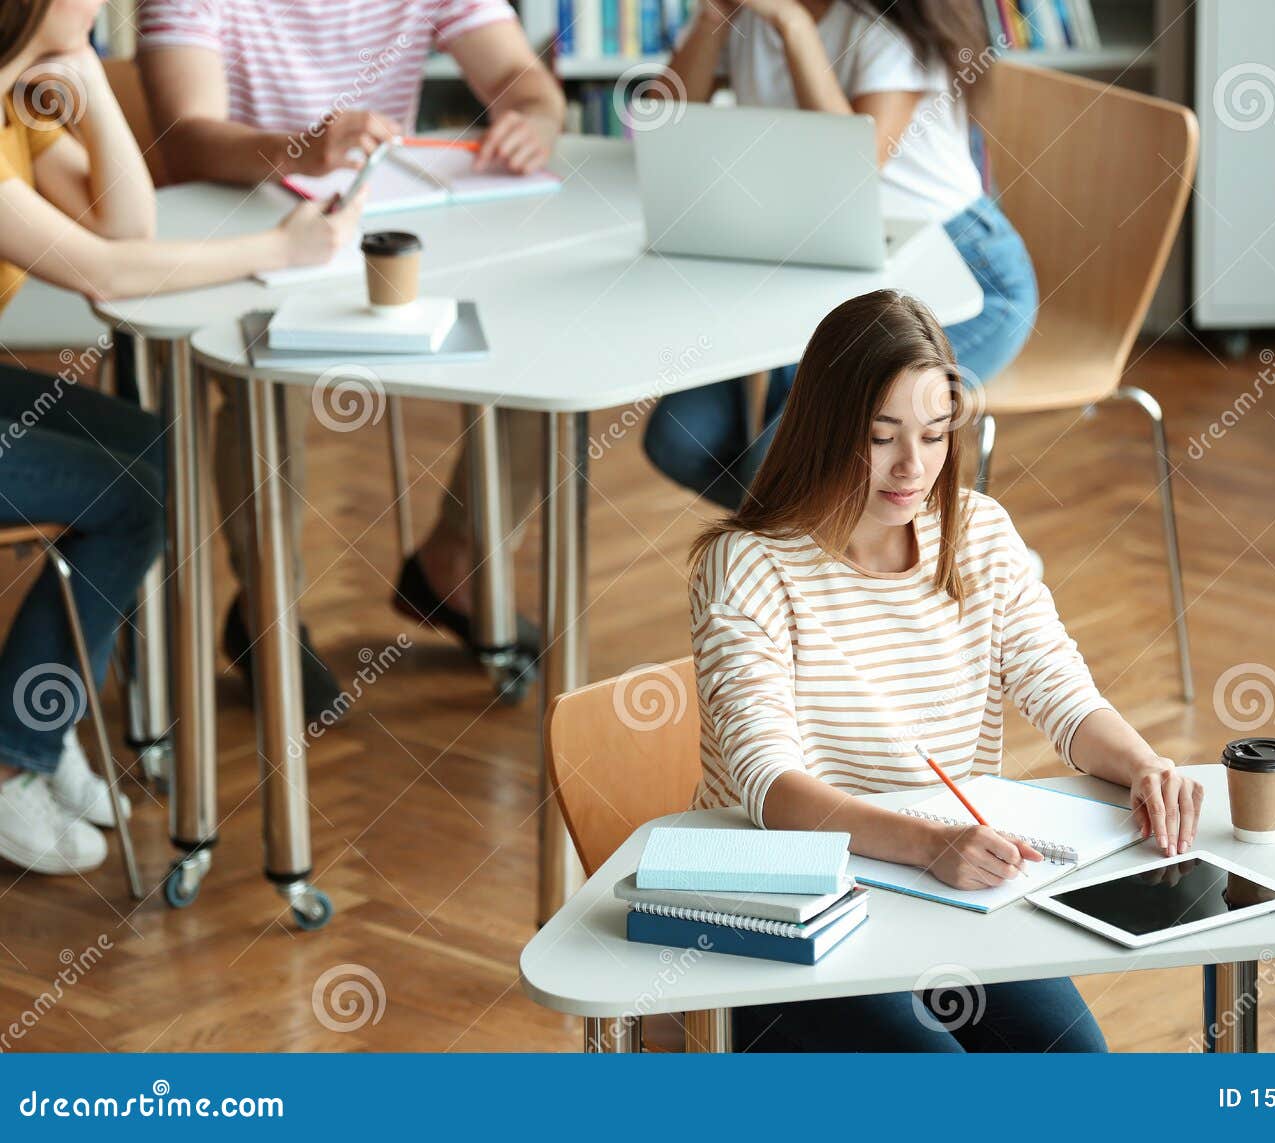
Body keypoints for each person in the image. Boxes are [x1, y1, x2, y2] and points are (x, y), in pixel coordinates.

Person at [687, 291, 1201, 1051]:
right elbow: (770, 786)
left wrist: (1145, 765)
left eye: (933, 435)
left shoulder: (980, 534)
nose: (913, 467)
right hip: (791, 916)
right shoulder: (748, 567)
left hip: (946, 896)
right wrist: (930, 844)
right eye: (881, 436)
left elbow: (1061, 695)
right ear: (827, 429)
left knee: (1078, 1061)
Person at [0, 0, 359, 872]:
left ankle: (42, 712)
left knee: (155, 449)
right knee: (135, 495)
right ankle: (17, 756)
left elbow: (127, 224)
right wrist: (279, 246)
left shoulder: (19, 100)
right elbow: (107, 271)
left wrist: (86, 77)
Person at [137, 0, 566, 718]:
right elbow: (187, 142)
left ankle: (454, 562)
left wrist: (536, 120)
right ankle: (267, 613)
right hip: (236, 236)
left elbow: (528, 87)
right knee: (257, 378)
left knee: (541, 342)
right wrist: (299, 147)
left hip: (378, 222)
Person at [647, 0, 1037, 510]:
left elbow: (849, 174)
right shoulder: (743, 19)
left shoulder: (889, 29)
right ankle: (838, 538)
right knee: (681, 440)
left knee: (782, 468)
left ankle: (879, 553)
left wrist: (793, 25)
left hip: (962, 280)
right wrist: (710, 21)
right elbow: (661, 125)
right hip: (824, 271)